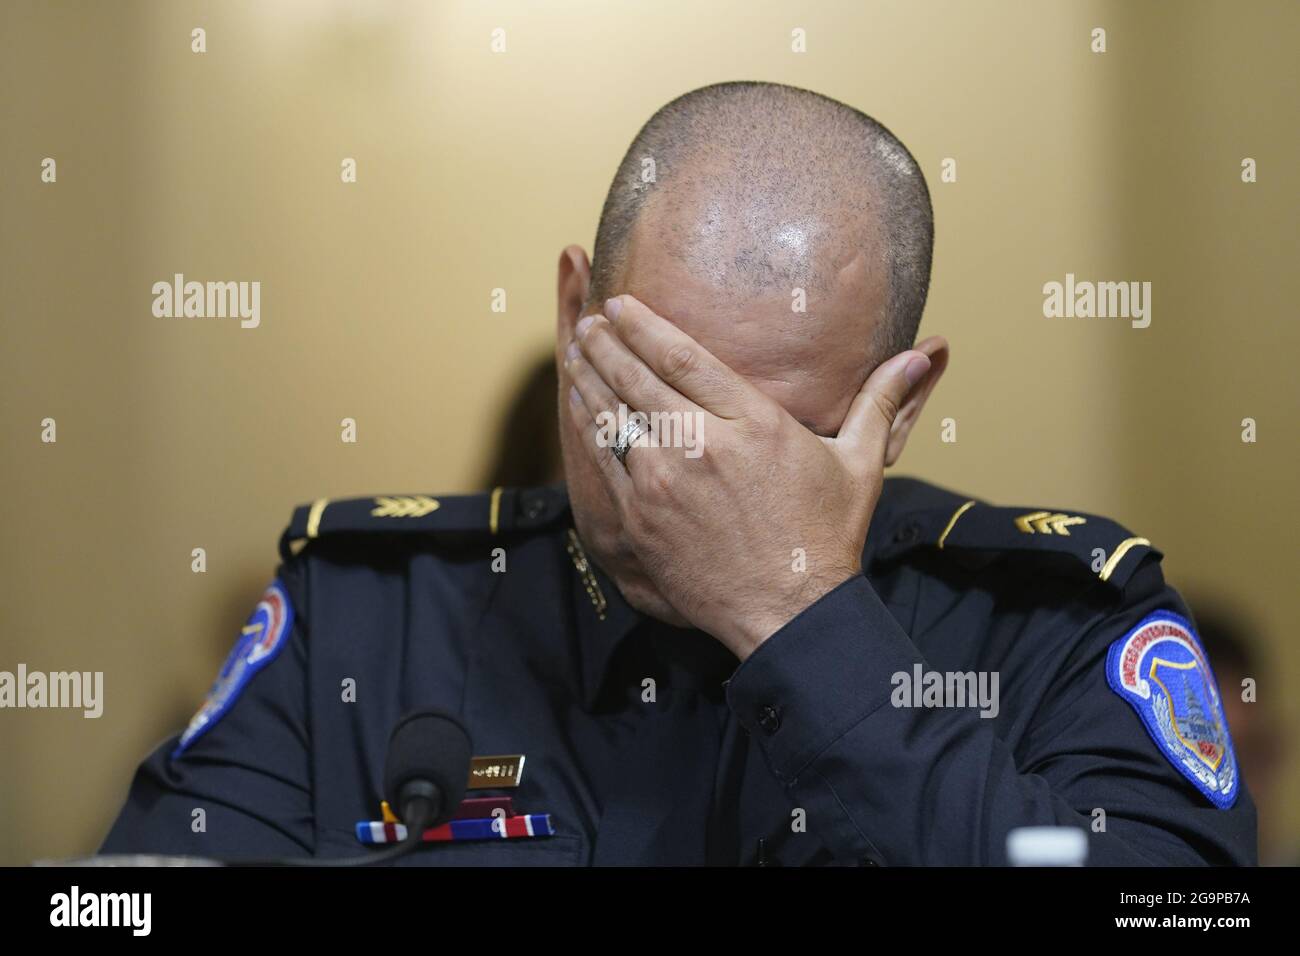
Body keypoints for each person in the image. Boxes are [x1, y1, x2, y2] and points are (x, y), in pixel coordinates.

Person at [101, 81, 1255, 866]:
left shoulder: (1052, 625)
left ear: (897, 405)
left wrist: (800, 614)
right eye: (650, 396)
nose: (693, 472)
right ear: (571, 318)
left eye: (768, 432)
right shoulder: (363, 612)